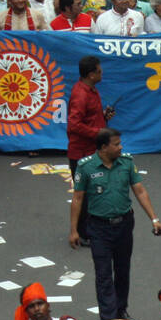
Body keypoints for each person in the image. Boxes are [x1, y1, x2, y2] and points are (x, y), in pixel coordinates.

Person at [69, 128, 161, 320]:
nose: (121, 147)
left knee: (122, 271)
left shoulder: (127, 163)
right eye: (116, 144)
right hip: (98, 228)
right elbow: (78, 198)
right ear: (103, 147)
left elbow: (139, 191)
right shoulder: (86, 167)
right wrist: (73, 230)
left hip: (124, 225)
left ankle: (121, 311)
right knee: (103, 274)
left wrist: (154, 219)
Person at [67, 57, 110, 243]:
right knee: (82, 195)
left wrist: (104, 118)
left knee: (92, 192)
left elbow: (91, 119)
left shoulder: (93, 91)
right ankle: (82, 233)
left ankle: (90, 228)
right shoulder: (81, 95)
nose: (102, 74)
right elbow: (73, 125)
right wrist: (98, 131)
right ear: (91, 74)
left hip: (92, 150)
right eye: (99, 71)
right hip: (81, 153)